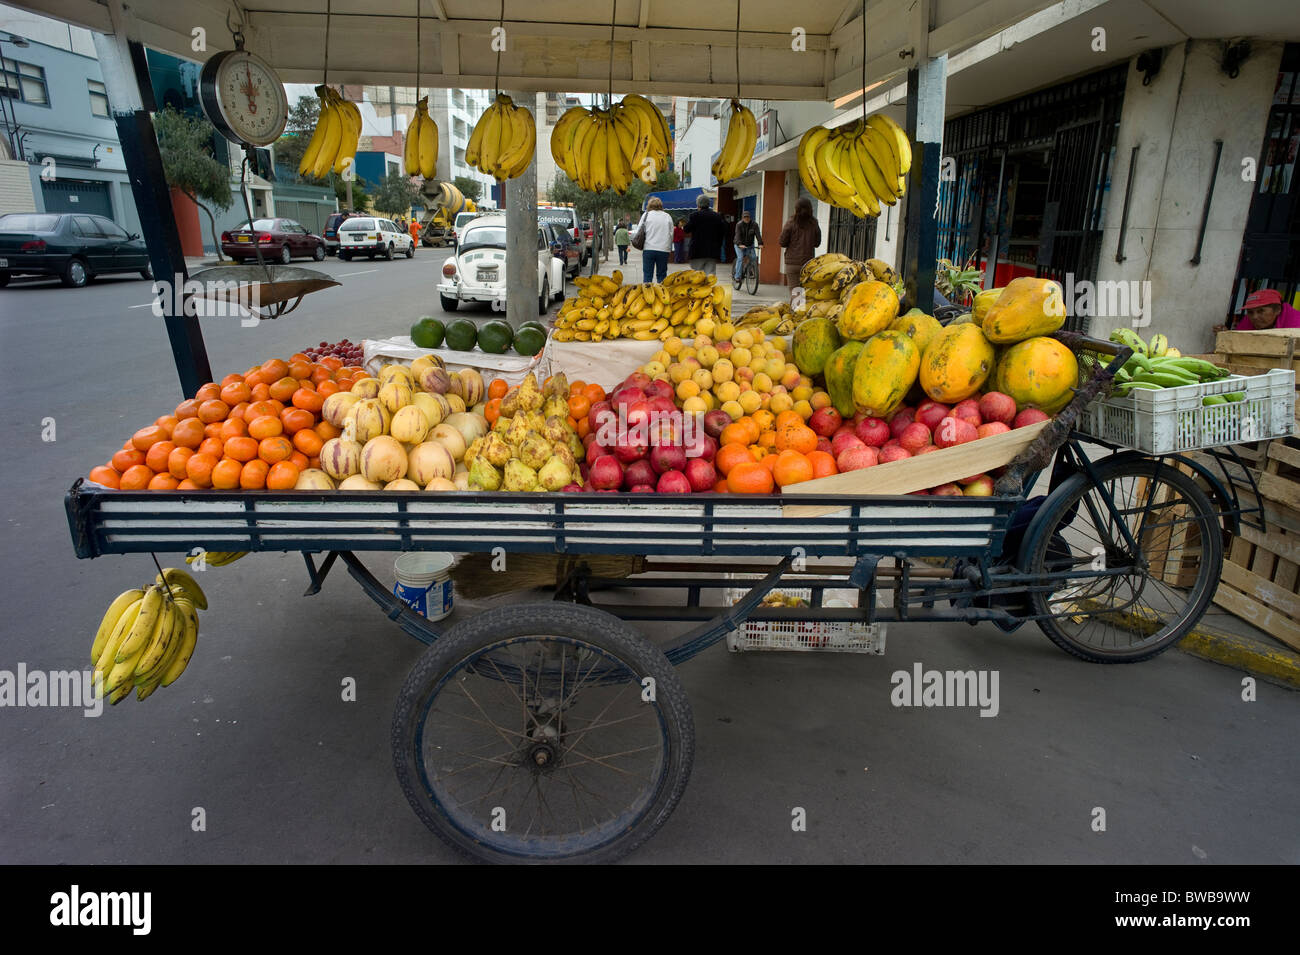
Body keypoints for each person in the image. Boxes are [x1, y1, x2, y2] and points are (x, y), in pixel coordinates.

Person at [778, 198, 821, 296]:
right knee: (806, 293)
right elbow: (817, 243)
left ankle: (797, 311)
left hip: (792, 264)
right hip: (808, 263)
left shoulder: (791, 222)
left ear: (796, 209)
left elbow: (782, 242)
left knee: (796, 293)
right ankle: (803, 310)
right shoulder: (814, 223)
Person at [632, 197, 673, 283]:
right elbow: (671, 234)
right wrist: (669, 248)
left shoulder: (646, 215)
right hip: (663, 249)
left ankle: (648, 294)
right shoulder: (667, 216)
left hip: (649, 249)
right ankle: (662, 294)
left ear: (649, 206)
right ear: (661, 206)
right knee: (662, 275)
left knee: (647, 275)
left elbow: (639, 230)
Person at [684, 195, 727, 276]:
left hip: (697, 252)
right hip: (712, 252)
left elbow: (686, 229)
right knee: (710, 277)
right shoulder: (717, 216)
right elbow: (723, 231)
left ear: (698, 205)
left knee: (697, 277)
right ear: (708, 204)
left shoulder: (694, 216)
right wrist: (718, 245)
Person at [1233, 288, 1300, 330]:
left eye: (1261, 311)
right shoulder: (1248, 319)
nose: (1255, 317)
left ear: (1277, 310)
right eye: (1250, 312)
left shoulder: (1295, 324)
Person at [733, 210, 762, 283]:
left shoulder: (754, 224)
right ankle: (737, 276)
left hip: (749, 245)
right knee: (740, 258)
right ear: (742, 218)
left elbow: (758, 234)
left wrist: (760, 243)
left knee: (753, 258)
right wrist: (740, 244)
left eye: (747, 217)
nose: (746, 219)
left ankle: (749, 270)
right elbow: (737, 236)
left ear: (750, 217)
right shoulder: (739, 224)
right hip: (739, 245)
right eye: (745, 217)